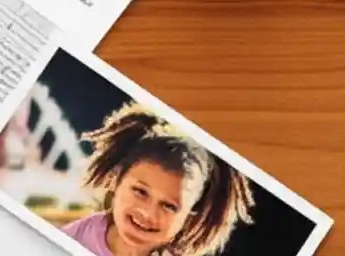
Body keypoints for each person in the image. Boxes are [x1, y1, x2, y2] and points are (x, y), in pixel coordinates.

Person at [61, 102, 255, 256]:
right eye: (140, 192)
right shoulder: (74, 237)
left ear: (188, 216)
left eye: (169, 206)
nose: (149, 213)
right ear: (116, 180)